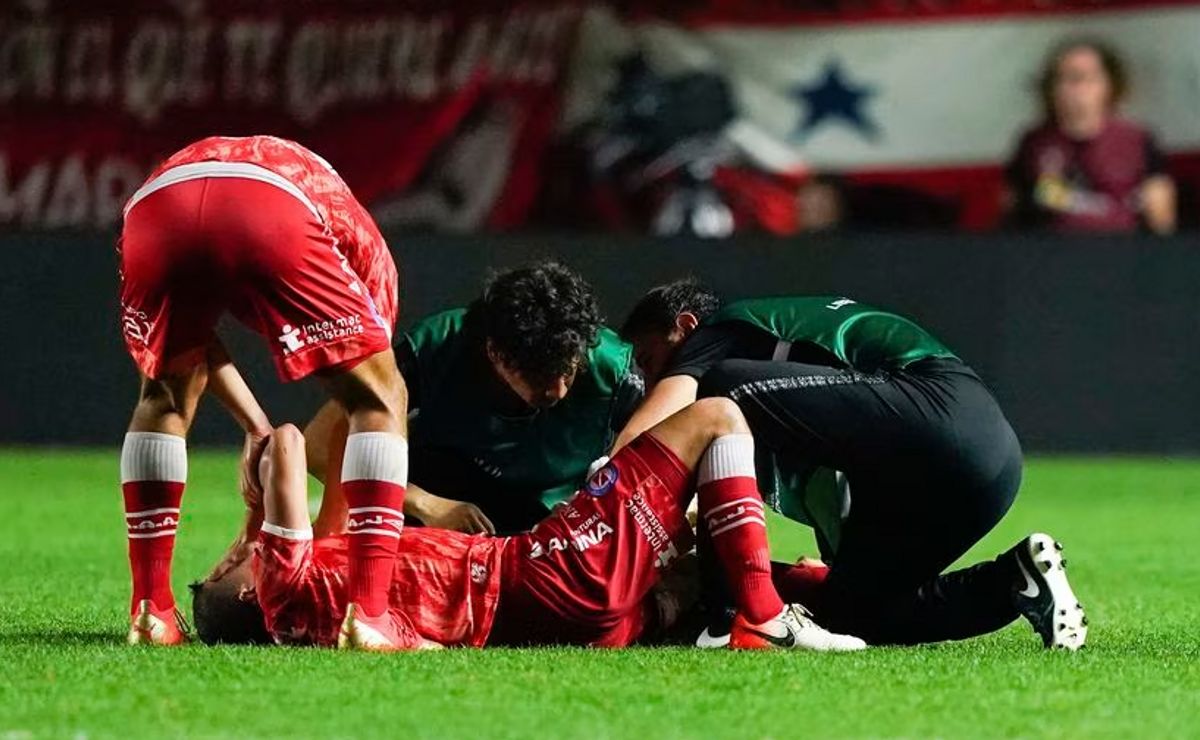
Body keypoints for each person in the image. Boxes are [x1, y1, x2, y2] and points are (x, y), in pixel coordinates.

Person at [614, 280, 1088, 651]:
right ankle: (1014, 580)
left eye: (650, 360)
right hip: (988, 467)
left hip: (940, 404)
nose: (652, 377)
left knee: (721, 393)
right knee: (853, 612)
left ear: (685, 326)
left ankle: (724, 617)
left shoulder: (718, 333)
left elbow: (647, 435)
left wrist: (592, 505)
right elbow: (836, 488)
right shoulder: (799, 406)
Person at [190, 400, 867, 652]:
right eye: (231, 571)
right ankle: (766, 615)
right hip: (536, 575)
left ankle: (819, 596)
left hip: (564, 618)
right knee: (714, 418)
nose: (233, 561)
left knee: (688, 565)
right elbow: (285, 442)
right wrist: (255, 510)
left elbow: (332, 457)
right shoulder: (287, 587)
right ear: (252, 593)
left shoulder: (327, 596)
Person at [117, 135, 413, 650]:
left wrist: (255, 425)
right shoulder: (374, 263)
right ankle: (369, 613)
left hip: (155, 203)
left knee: (163, 396)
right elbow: (360, 406)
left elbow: (193, 346)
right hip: (266, 200)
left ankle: (151, 610)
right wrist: (331, 529)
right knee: (383, 395)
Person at [303, 263, 643, 536]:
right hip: (438, 508)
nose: (558, 391)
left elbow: (672, 448)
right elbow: (317, 446)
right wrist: (425, 503)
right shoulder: (438, 348)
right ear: (494, 352)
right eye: (538, 374)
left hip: (551, 525)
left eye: (569, 371)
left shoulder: (613, 366)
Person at [1004, 37, 1175, 234]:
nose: (1075, 90)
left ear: (1109, 85)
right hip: (1051, 254)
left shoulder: (1137, 140)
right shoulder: (1034, 144)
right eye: (1063, 79)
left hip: (1121, 252)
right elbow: (1010, 212)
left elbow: (1162, 220)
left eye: (1083, 78)